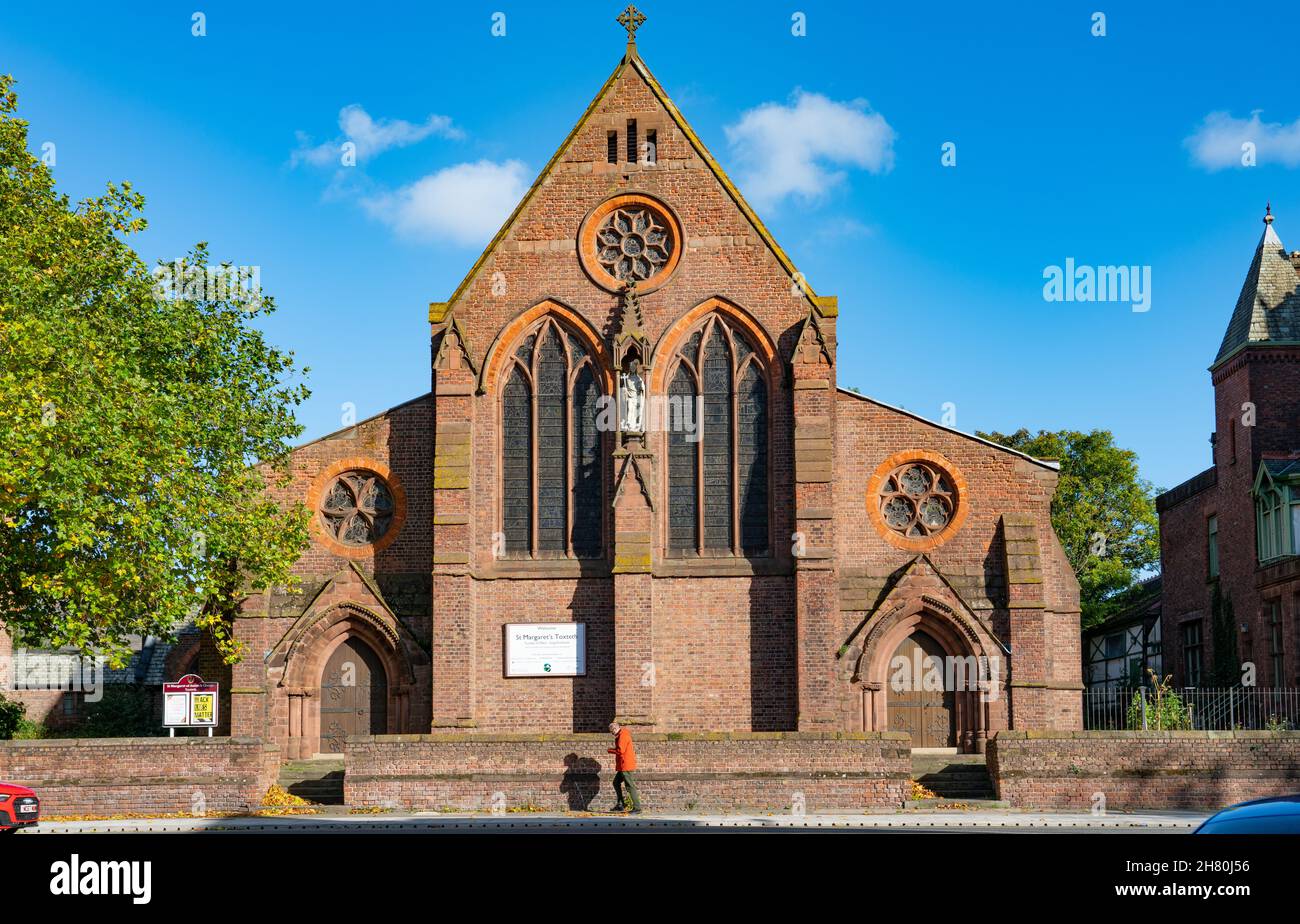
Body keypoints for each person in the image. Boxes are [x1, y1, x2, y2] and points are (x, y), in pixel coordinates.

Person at [607, 720, 642, 814]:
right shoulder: (621, 735)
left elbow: (620, 751)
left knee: (630, 786)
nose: (612, 733)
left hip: (626, 765)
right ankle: (621, 804)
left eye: (612, 731)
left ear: (615, 728)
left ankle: (637, 808)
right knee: (616, 782)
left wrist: (610, 750)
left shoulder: (623, 736)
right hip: (623, 765)